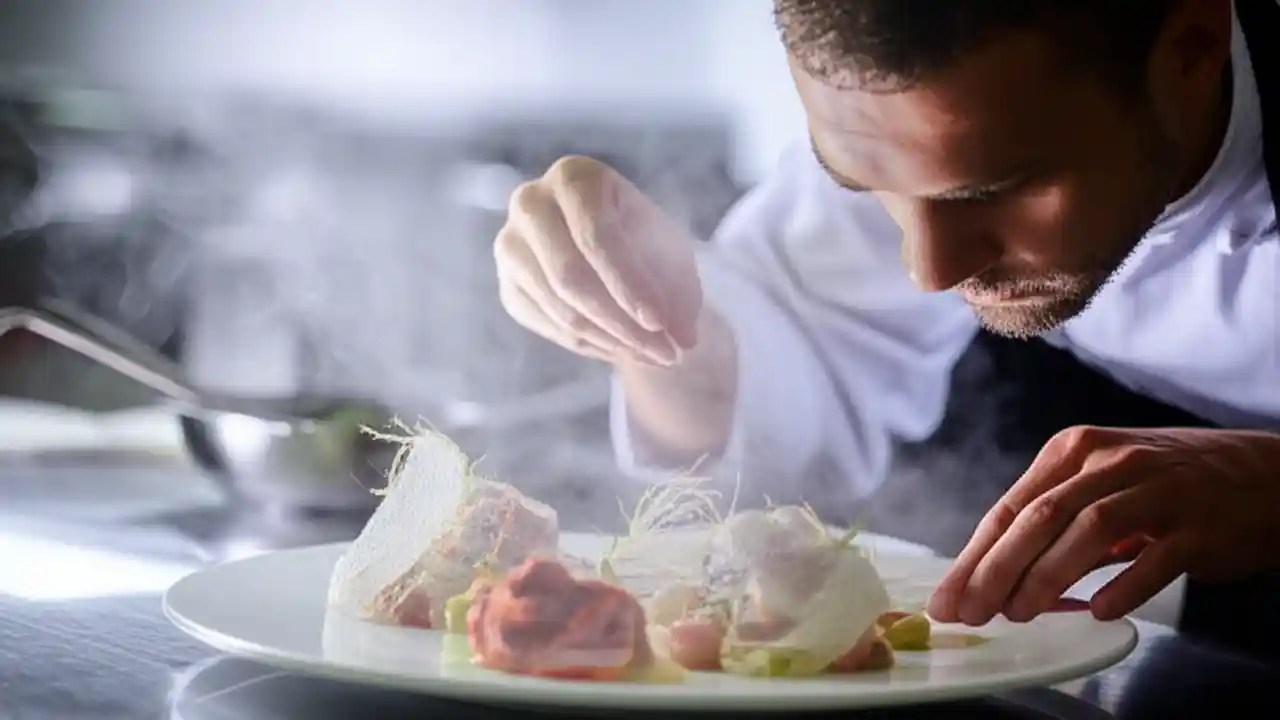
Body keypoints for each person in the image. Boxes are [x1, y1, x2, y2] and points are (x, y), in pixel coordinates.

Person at [494, 0, 1280, 655]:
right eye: (865, 186)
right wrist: (643, 319)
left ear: (1192, 50)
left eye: (994, 191)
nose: (928, 269)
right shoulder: (920, 135)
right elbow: (800, 406)